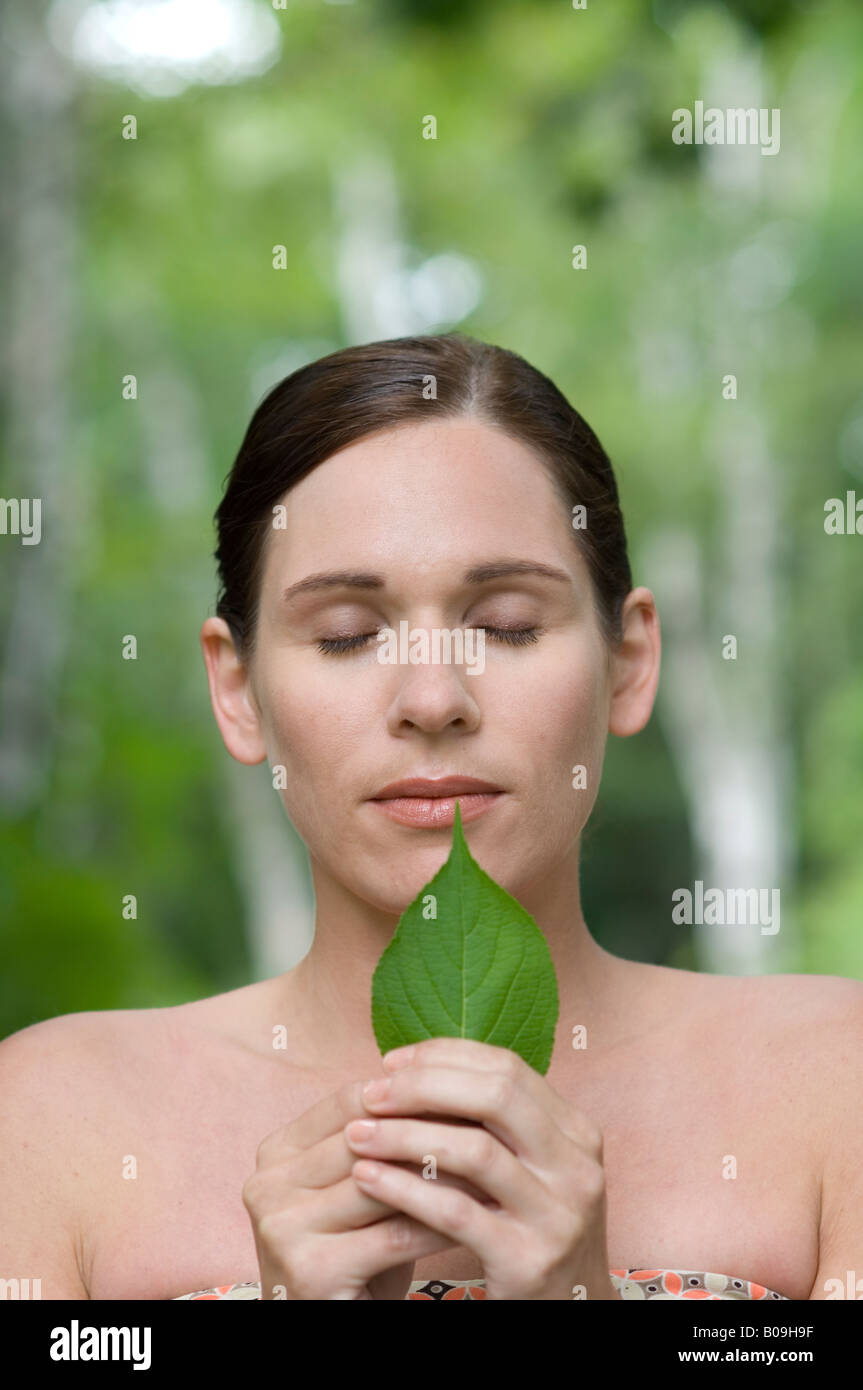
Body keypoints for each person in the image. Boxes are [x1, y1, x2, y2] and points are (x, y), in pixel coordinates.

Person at [1, 333, 860, 1301]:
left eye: (504, 625)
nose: (432, 697)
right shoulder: (51, 1124)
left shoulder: (835, 1082)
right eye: (346, 635)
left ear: (628, 660)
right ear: (237, 689)